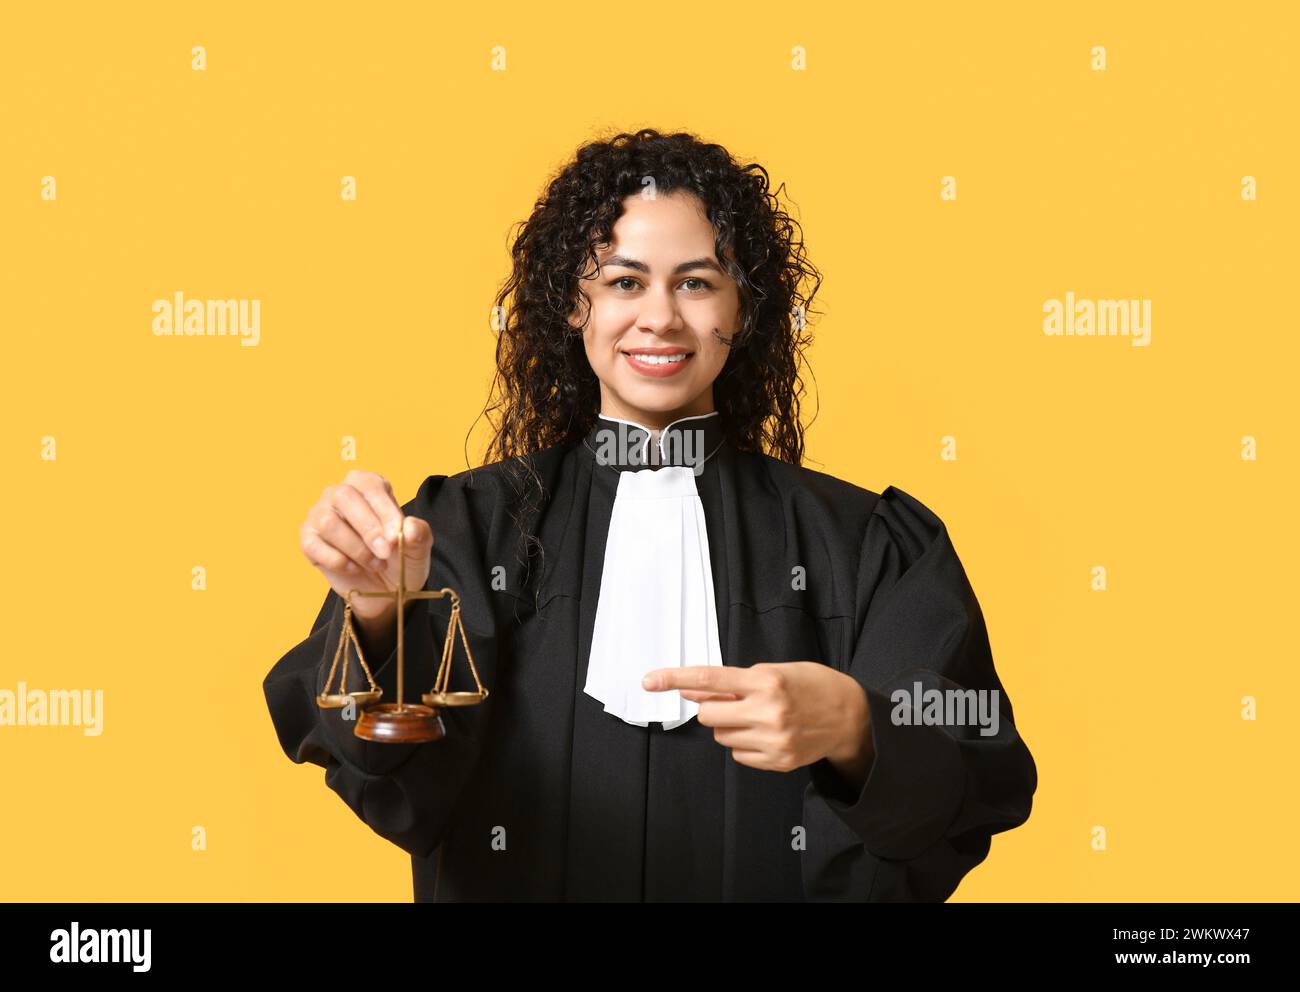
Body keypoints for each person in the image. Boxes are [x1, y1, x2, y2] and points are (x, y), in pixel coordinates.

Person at [262, 128, 1038, 902]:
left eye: (697, 283)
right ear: (573, 303)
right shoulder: (464, 528)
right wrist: (375, 615)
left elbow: (977, 763)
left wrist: (859, 729)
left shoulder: (865, 544)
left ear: (744, 308)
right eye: (625, 282)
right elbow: (397, 789)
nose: (661, 318)